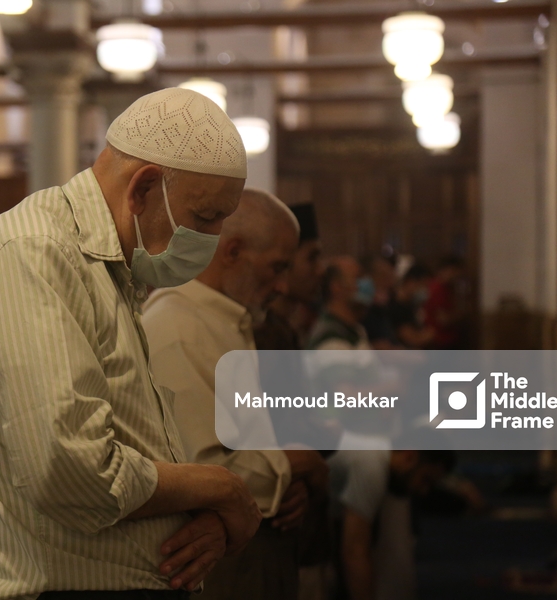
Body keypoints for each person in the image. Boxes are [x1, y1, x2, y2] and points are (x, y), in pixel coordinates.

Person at [0, 87, 263, 600]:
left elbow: (133, 444)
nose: (213, 239)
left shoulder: (108, 270)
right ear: (145, 188)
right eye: (206, 218)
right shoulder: (35, 254)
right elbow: (71, 471)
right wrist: (222, 487)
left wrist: (205, 520)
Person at [142, 189, 328, 600]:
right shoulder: (178, 327)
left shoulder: (223, 320)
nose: (282, 284)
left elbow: (248, 443)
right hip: (216, 566)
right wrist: (296, 466)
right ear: (234, 251)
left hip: (250, 549)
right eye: (277, 267)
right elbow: (202, 468)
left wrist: (285, 482)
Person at [328, 444, 455, 600]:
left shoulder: (373, 455)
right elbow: (354, 553)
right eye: (425, 479)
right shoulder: (372, 467)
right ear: (410, 456)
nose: (423, 491)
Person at [254, 203, 322, 351]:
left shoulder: (290, 330)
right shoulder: (261, 335)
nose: (320, 271)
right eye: (312, 258)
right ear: (285, 259)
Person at [307, 256, 372, 351]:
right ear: (336, 287)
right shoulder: (330, 341)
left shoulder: (354, 331)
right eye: (358, 277)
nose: (365, 284)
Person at [424, 256, 468, 349]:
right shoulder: (437, 289)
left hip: (446, 340)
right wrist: (460, 315)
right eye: (456, 272)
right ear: (448, 270)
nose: (457, 276)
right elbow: (443, 320)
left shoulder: (446, 288)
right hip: (441, 341)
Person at [389, 264, 435, 349]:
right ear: (411, 281)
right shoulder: (396, 306)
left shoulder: (410, 304)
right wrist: (430, 334)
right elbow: (413, 340)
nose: (425, 290)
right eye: (423, 285)